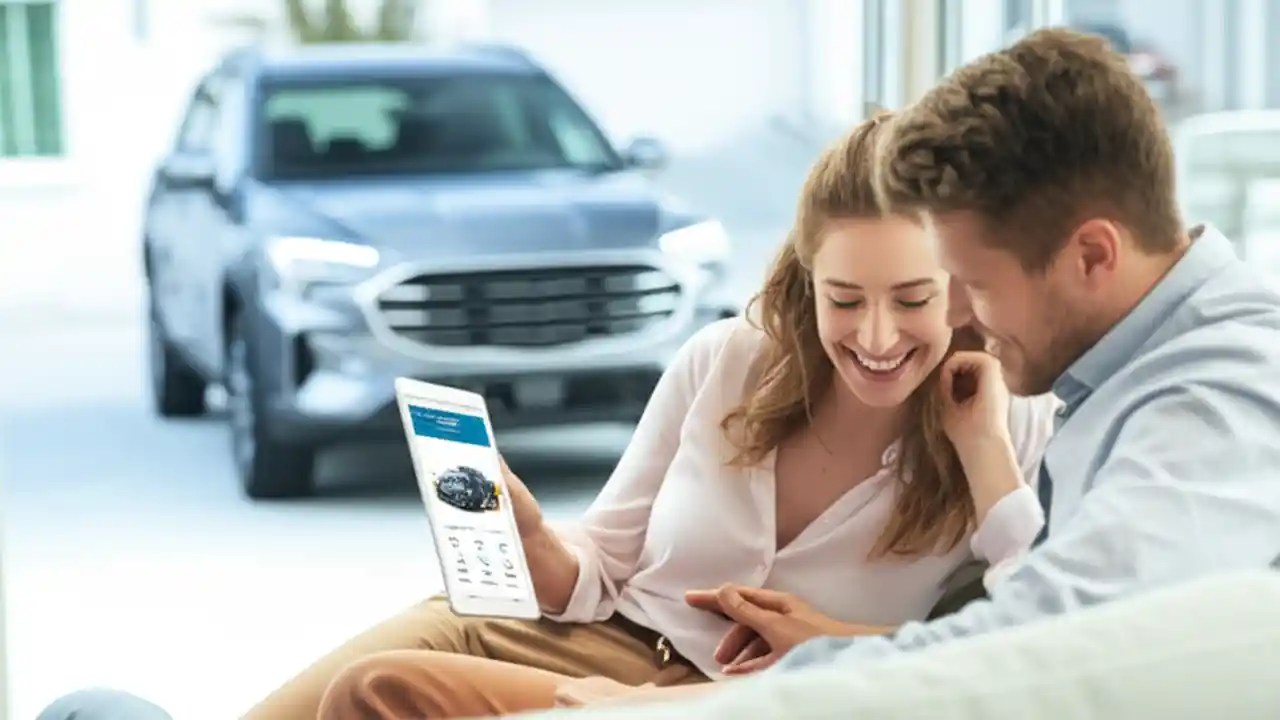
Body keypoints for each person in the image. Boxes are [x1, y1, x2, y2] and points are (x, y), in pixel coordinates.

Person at [538, 26, 1280, 711]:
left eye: (974, 284)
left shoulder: (1212, 402)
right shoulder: (1129, 371)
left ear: (1091, 256)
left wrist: (691, 708)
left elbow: (1046, 646)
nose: (957, 316)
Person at [245, 115, 1059, 720]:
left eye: (912, 299)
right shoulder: (729, 358)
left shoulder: (1009, 414)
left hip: (738, 699)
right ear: (807, 280)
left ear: (959, 284)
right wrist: (531, 538)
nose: (876, 337)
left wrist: (981, 450)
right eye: (843, 300)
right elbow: (602, 568)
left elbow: (1044, 640)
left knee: (374, 697)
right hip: (576, 634)